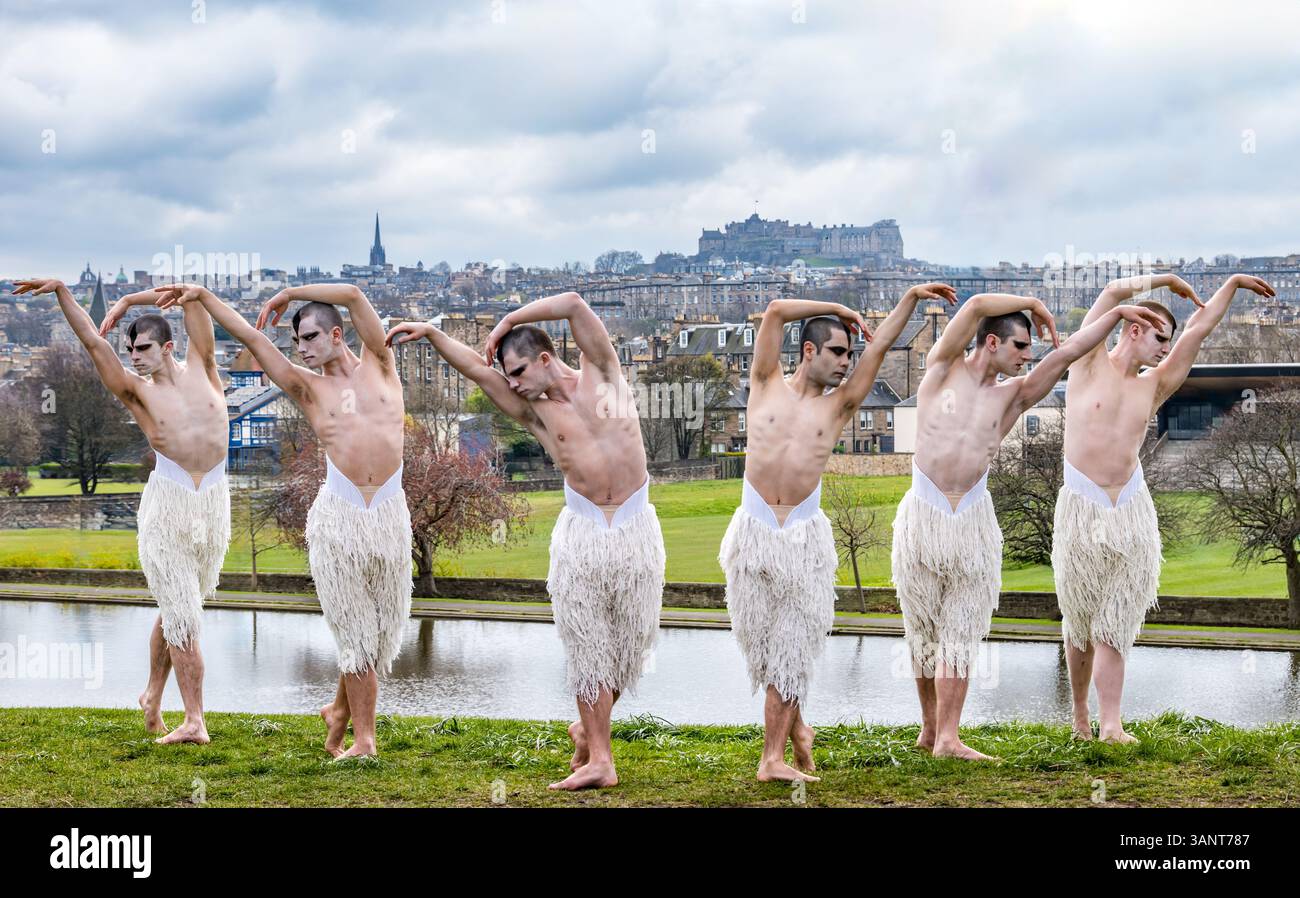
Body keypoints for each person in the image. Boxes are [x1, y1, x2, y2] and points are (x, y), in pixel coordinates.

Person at [386, 292, 665, 790]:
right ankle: (600, 759)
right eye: (509, 377)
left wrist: (509, 319)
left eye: (517, 372)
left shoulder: (604, 376)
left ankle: (587, 730)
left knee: (631, 650)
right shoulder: (534, 412)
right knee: (587, 649)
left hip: (636, 527)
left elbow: (576, 305)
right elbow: (478, 370)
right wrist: (432, 334)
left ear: (544, 359)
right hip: (581, 531)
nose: (512, 383)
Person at [893, 291, 1166, 760]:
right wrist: (1034, 304)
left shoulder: (1014, 396)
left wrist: (1116, 314)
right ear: (993, 342)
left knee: (960, 631)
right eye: (1022, 347)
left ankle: (949, 739)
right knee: (922, 631)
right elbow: (977, 303)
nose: (1027, 357)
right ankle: (930, 728)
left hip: (971, 519)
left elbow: (1066, 354)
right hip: (922, 513)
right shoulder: (941, 369)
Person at [158, 282, 409, 758]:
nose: (302, 349)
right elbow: (253, 341)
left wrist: (289, 294)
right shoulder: (305, 386)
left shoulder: (380, 363)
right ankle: (364, 741)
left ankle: (338, 713)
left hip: (391, 516)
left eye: (310, 337)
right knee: (356, 636)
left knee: (381, 637)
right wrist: (203, 298)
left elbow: (355, 295)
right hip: (340, 520)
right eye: (297, 342)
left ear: (338, 335)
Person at [720, 285, 958, 782]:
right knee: (763, 651)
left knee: (791, 650)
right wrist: (839, 309)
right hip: (752, 534)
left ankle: (772, 760)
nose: (846, 363)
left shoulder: (841, 405)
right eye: (836, 351)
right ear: (809, 350)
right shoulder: (763, 382)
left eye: (848, 354)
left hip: (805, 538)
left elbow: (880, 347)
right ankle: (799, 731)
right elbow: (776, 310)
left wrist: (910, 297)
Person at [1053, 272, 1274, 742]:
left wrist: (1231, 285)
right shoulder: (1086, 362)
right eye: (1157, 337)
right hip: (1080, 505)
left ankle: (1111, 724)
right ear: (1133, 328)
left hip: (1130, 506)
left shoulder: (1154, 385)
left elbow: (1197, 331)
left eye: (1165, 341)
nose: (1163, 347)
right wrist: (1162, 281)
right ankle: (1078, 716)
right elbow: (1112, 292)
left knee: (1116, 620)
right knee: (1079, 620)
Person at [16, 278, 231, 744]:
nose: (134, 355)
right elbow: (94, 342)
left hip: (214, 505)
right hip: (167, 508)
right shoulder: (136, 392)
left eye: (143, 348)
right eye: (131, 348)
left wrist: (134, 297)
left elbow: (193, 296)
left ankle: (152, 694)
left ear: (168, 346)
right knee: (184, 618)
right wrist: (61, 293)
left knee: (178, 609)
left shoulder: (205, 368)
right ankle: (195, 720)